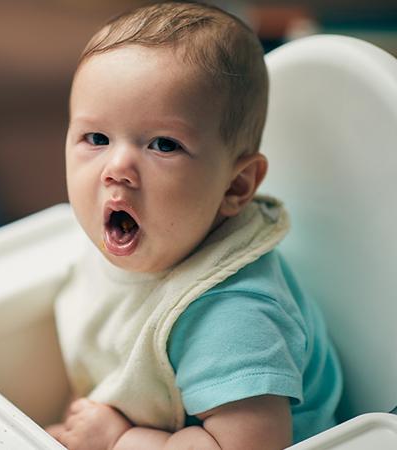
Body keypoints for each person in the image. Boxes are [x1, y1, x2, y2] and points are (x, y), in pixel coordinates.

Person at [45, 2, 342, 449]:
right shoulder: (123, 245)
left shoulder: (234, 314)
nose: (117, 168)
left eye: (163, 144)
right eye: (97, 138)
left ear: (236, 185)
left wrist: (118, 439)